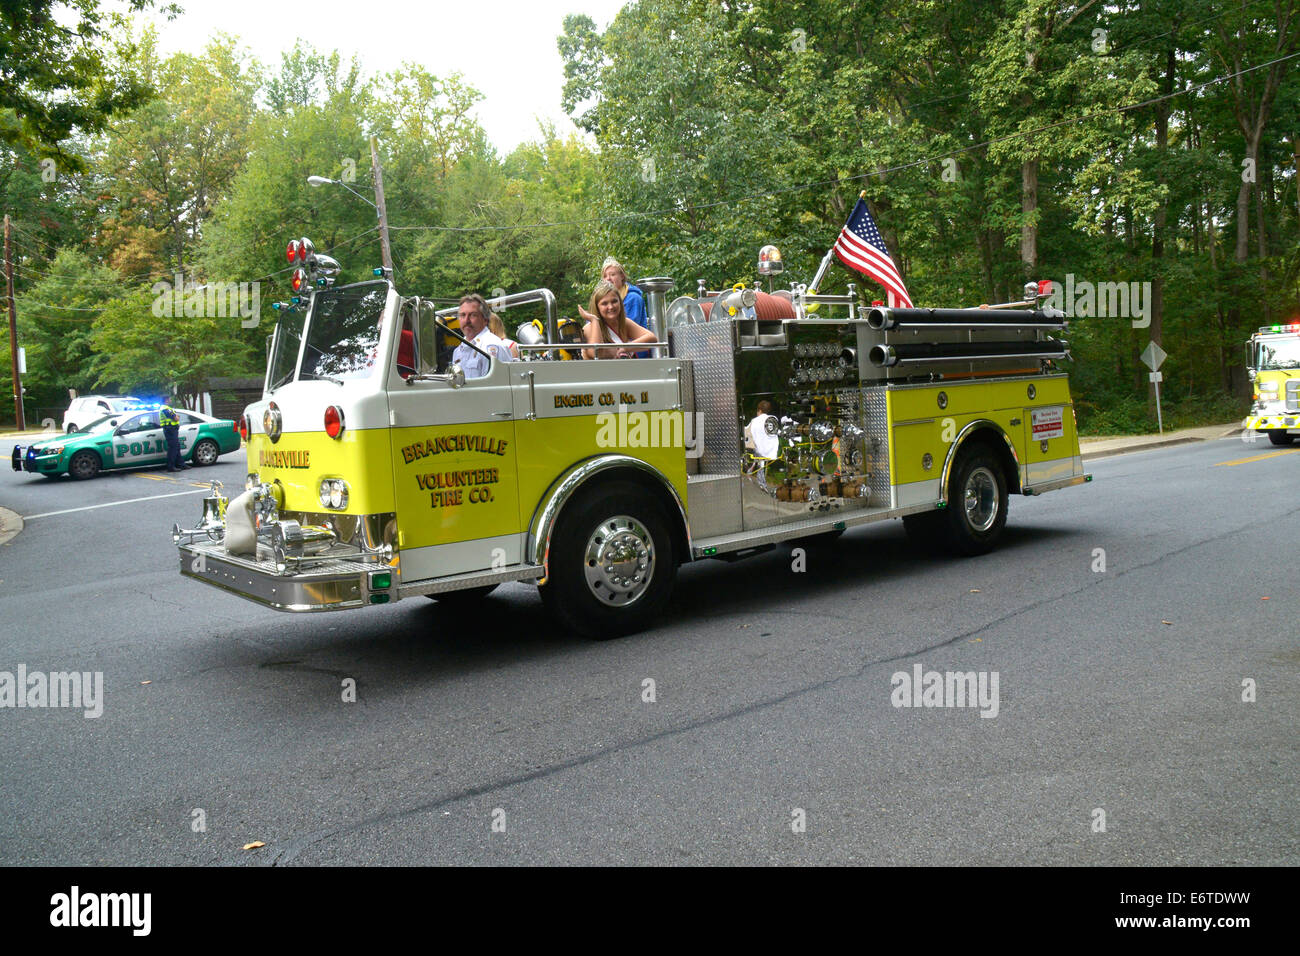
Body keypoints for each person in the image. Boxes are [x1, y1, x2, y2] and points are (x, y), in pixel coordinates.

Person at [582, 279, 656, 360]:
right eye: (604, 303)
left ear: (620, 302)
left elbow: (652, 339)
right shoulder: (589, 328)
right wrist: (595, 321)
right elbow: (596, 353)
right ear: (597, 307)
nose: (611, 307)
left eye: (614, 301)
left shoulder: (624, 322)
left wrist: (625, 348)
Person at [453, 294, 515, 378]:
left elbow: (500, 386)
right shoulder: (458, 351)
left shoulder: (495, 346)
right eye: (463, 315)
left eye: (473, 315)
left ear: (485, 320)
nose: (466, 320)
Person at [159, 403, 187, 471]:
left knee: (176, 446)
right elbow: (176, 418)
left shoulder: (165, 408)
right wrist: (177, 416)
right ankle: (170, 466)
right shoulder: (166, 409)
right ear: (167, 400)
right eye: (169, 399)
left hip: (171, 429)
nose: (171, 400)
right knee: (173, 448)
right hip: (170, 429)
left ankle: (181, 464)